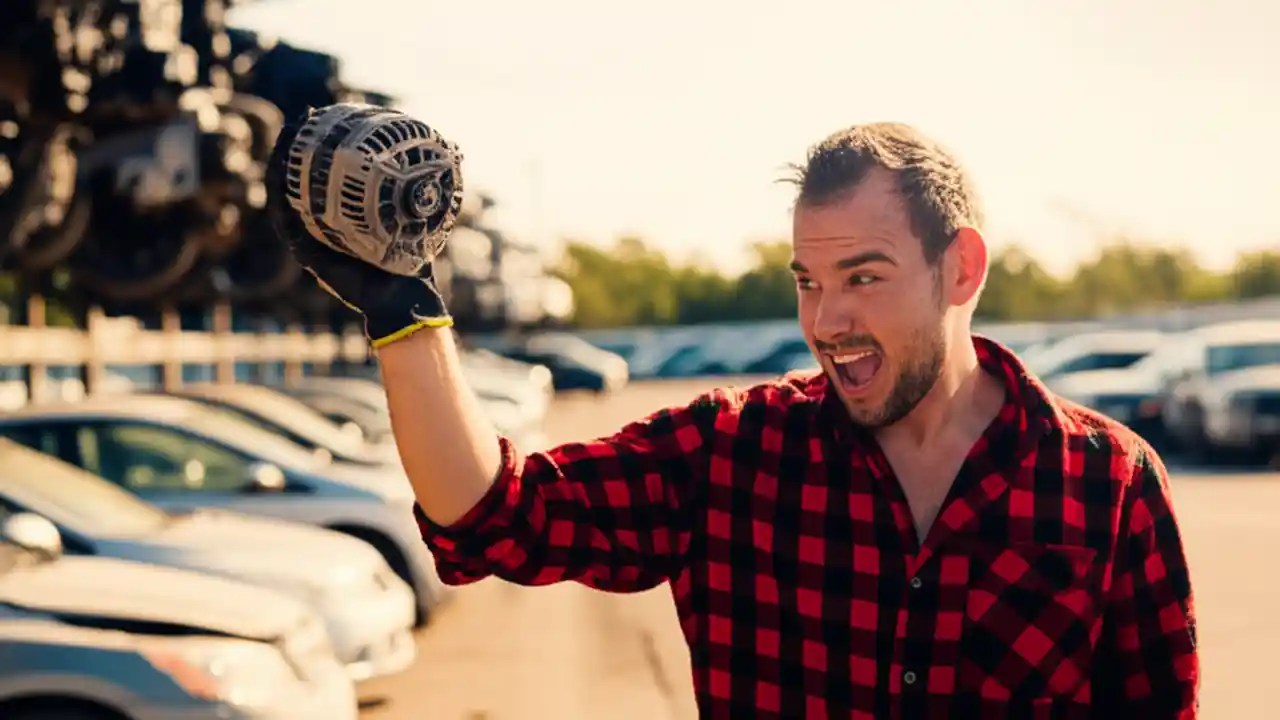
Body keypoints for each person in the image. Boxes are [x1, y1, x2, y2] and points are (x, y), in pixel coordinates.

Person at [268, 116, 1199, 718]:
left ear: (961, 270)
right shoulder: (732, 452)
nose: (826, 320)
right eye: (808, 281)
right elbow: (493, 514)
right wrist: (403, 311)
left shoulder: (1106, 482)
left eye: (863, 278)